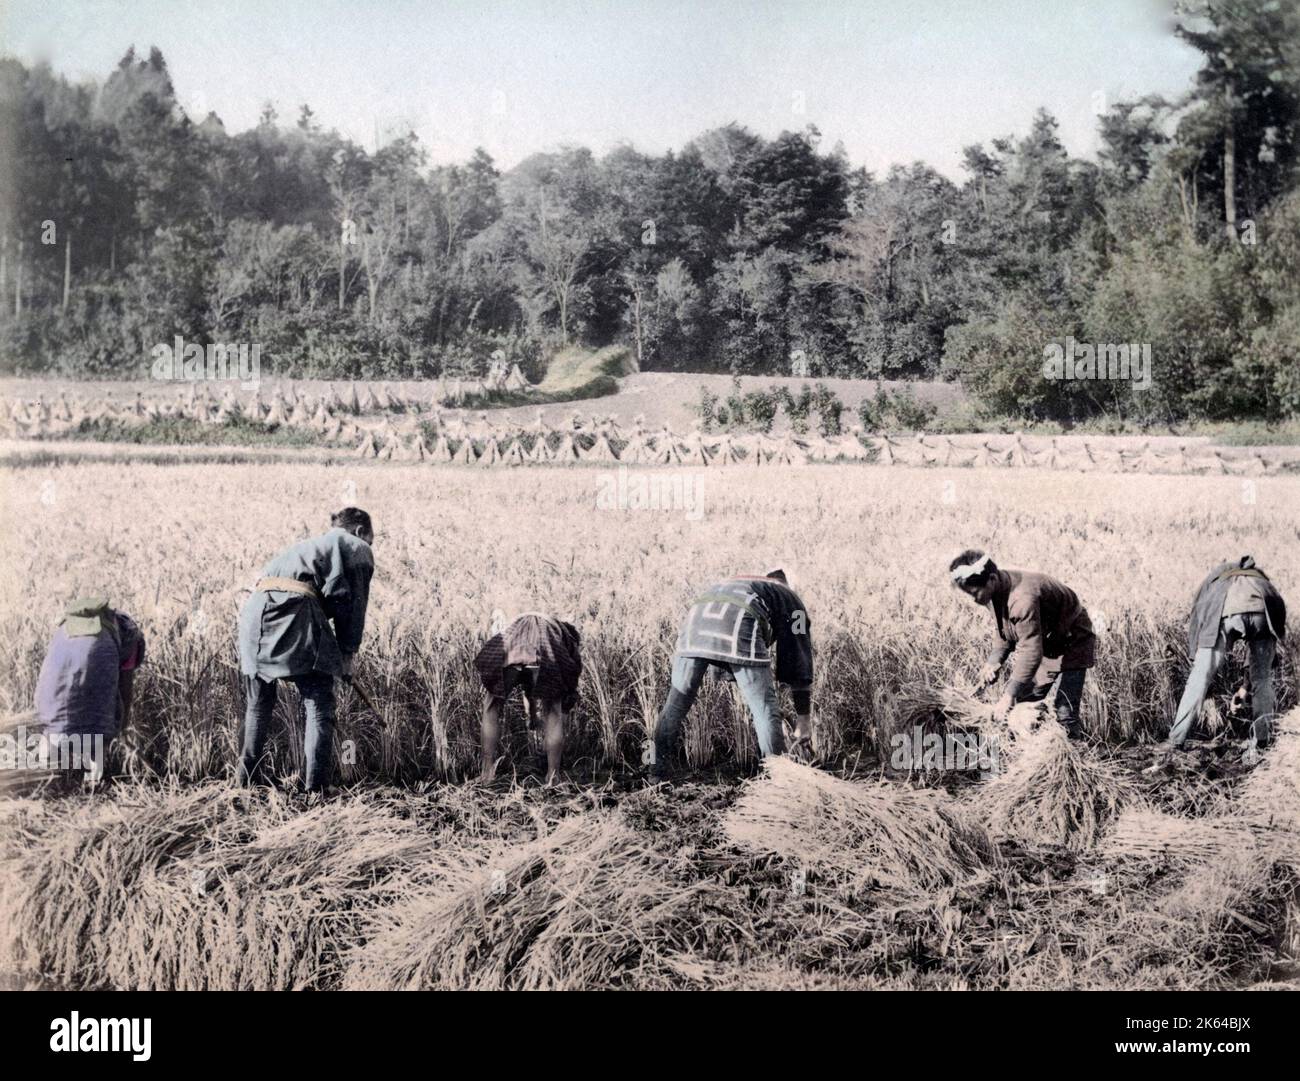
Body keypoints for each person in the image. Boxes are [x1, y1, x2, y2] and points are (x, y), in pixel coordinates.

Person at [236, 507, 374, 793]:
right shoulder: (357, 546)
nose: (370, 546)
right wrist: (347, 654)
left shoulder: (306, 547)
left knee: (259, 701)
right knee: (319, 701)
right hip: (293, 612)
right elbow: (354, 605)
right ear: (360, 531)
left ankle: (245, 783)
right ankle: (316, 790)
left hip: (254, 614)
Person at [651, 569, 814, 780]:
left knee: (676, 703)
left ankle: (655, 772)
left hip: (695, 620)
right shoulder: (791, 598)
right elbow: (799, 656)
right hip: (738, 620)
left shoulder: (745, 582)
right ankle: (779, 782)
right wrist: (803, 720)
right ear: (787, 584)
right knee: (765, 709)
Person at [1150, 556, 1286, 769]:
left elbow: (1198, 619)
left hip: (1227, 611)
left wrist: (1198, 658)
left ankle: (1175, 741)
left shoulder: (1214, 583)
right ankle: (1262, 742)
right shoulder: (1261, 579)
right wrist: (1245, 687)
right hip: (1265, 610)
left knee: (1199, 678)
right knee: (1263, 680)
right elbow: (1276, 618)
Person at [949, 549, 1096, 738]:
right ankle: (1032, 751)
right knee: (1022, 703)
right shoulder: (993, 592)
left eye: (975, 593)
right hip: (1047, 639)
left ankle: (1074, 758)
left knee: (1064, 711)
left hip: (1073, 638)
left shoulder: (1022, 599)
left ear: (992, 579)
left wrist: (1008, 695)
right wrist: (994, 661)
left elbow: (1031, 650)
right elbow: (1005, 632)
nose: (974, 600)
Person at [34, 596, 145, 789]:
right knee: (99, 717)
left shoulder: (72, 624)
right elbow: (125, 688)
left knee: (54, 710)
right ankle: (93, 783)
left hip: (59, 653)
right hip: (99, 652)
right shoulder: (131, 638)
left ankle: (43, 780)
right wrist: (123, 725)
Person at [474, 611, 582, 784]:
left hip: (513, 644)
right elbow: (567, 688)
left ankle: (487, 774)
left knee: (491, 706)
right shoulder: (565, 636)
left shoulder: (521, 621)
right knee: (553, 711)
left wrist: (532, 715)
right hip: (544, 646)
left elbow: (527, 682)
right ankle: (553, 776)